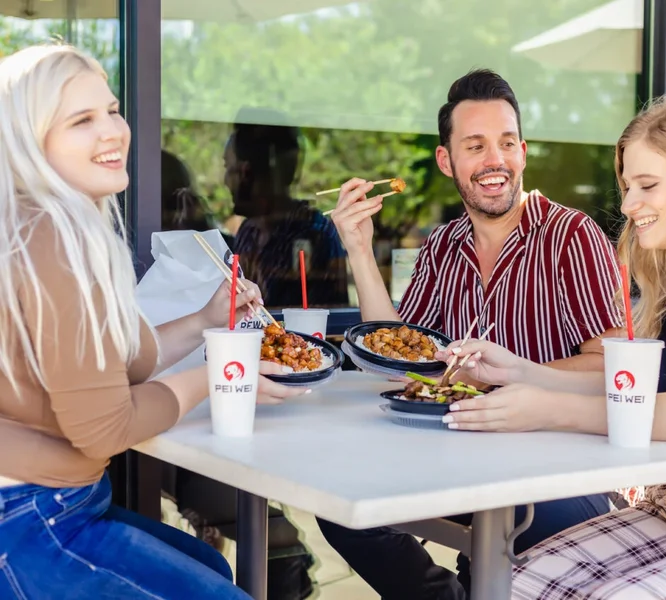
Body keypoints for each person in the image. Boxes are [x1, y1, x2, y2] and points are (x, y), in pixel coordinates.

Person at [439, 96, 666, 599]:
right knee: (510, 585)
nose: (629, 205)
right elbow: (634, 381)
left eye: (647, 186)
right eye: (629, 186)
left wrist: (550, 410)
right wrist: (519, 372)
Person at [0, 44, 307, 599]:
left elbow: (123, 361)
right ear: (30, 141)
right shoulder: (48, 240)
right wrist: (222, 370)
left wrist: (205, 321)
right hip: (28, 517)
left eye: (112, 110)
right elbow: (105, 427)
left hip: (56, 500)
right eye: (81, 121)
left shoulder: (58, 228)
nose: (113, 131)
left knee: (212, 569)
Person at [320, 69, 623, 599]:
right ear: (447, 162)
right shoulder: (441, 245)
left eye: (507, 143)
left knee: (492, 564)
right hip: (462, 460)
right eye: (476, 145)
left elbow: (613, 369)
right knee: (341, 507)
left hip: (562, 472)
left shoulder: (572, 235)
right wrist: (360, 250)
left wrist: (522, 380)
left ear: (524, 152)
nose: (495, 161)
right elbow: (401, 351)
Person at [225, 112, 348, 307]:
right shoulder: (248, 231)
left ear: (246, 173)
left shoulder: (317, 232)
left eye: (229, 169)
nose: (225, 181)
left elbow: (335, 316)